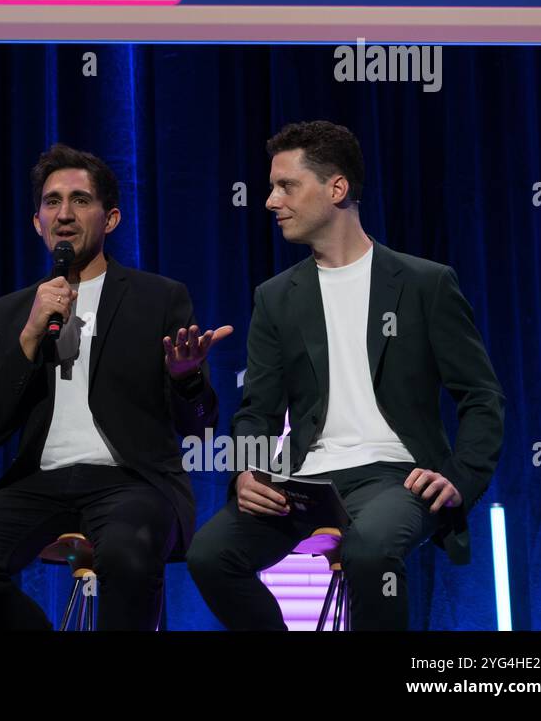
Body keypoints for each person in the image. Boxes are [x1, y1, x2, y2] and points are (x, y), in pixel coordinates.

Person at [187, 120, 505, 630]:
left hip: (398, 475)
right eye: (271, 187)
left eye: (286, 186)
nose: (270, 200)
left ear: (337, 188)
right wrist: (245, 471)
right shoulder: (276, 297)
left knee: (369, 551)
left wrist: (459, 478)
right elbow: (258, 411)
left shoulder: (425, 284)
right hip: (305, 479)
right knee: (209, 556)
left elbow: (483, 397)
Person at [0, 144, 229, 629]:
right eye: (52, 202)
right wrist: (30, 335)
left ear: (110, 218)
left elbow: (199, 424)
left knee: (128, 555)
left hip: (132, 480)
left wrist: (187, 379)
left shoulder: (159, 297)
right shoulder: (11, 312)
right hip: (41, 481)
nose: (64, 214)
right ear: (37, 222)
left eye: (80, 200)